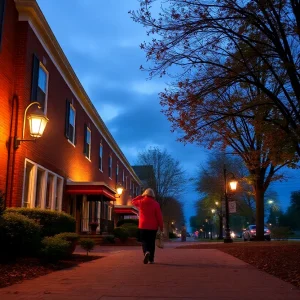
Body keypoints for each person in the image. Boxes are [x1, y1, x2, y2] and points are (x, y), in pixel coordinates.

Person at [131, 188, 164, 264]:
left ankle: (146, 252)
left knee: (144, 241)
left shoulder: (141, 202)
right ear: (153, 195)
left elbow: (132, 201)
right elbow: (159, 217)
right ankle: (151, 259)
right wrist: (161, 227)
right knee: (151, 242)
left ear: (145, 194)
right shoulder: (156, 204)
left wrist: (141, 196)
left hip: (143, 226)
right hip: (153, 227)